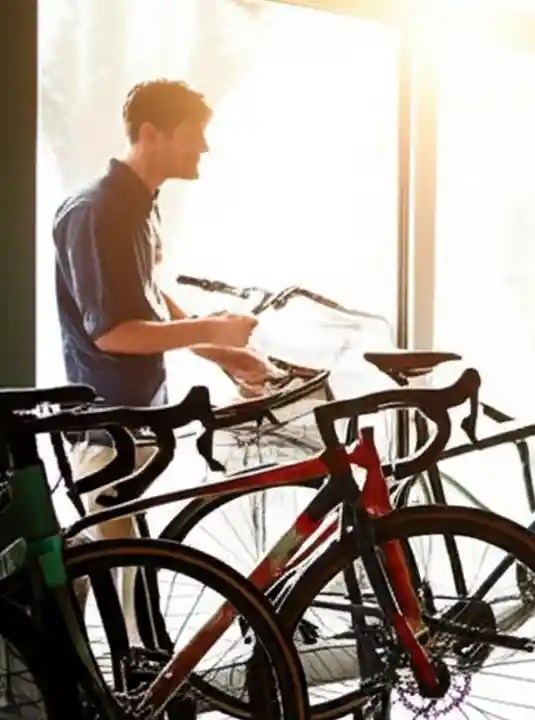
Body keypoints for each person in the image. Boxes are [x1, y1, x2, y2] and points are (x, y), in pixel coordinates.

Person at [53, 79, 274, 633]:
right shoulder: (95, 212)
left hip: (139, 424)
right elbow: (113, 334)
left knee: (112, 568)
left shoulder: (139, 208)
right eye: (194, 134)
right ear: (151, 134)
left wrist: (219, 352)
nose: (204, 147)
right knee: (130, 594)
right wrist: (215, 330)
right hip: (107, 431)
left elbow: (149, 301)